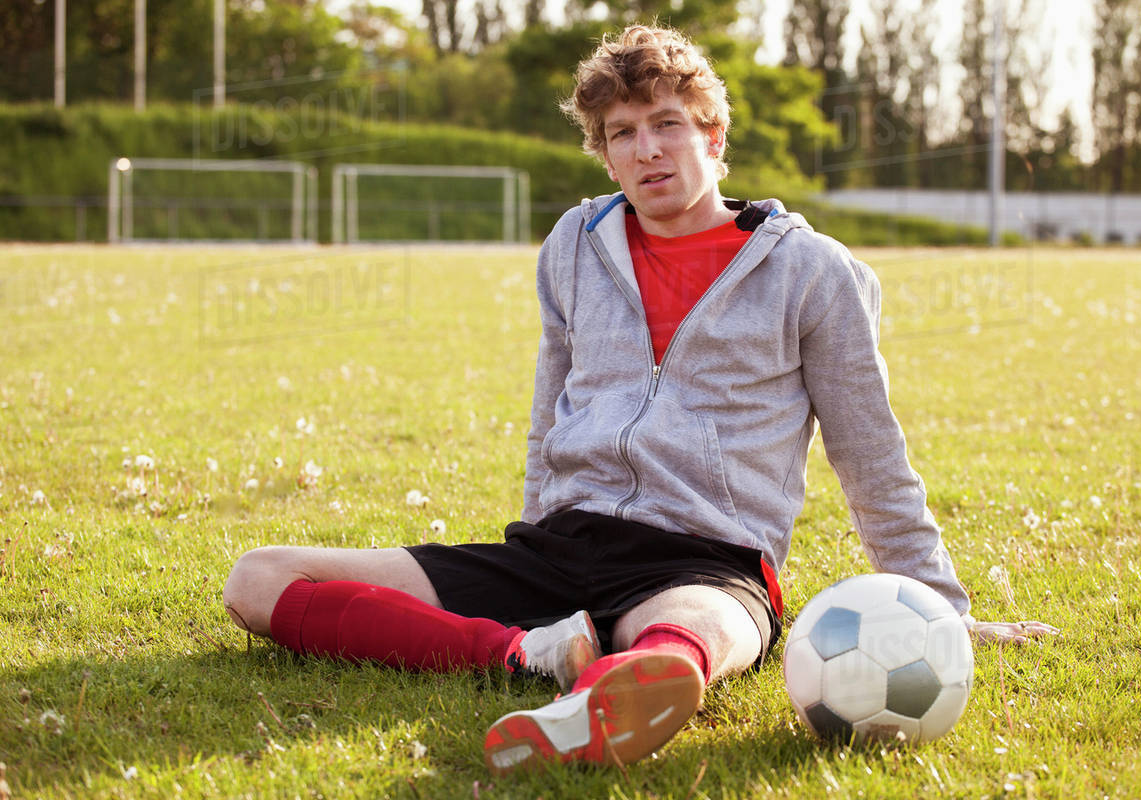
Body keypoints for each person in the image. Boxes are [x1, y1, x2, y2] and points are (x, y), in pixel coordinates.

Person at [221, 24, 1058, 776]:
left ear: (713, 137)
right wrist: (537, 555)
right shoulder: (574, 245)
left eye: (666, 124)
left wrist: (940, 610)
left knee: (685, 642)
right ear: (605, 153)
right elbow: (551, 411)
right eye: (623, 134)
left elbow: (870, 450)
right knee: (258, 581)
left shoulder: (812, 272)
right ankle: (526, 656)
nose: (648, 150)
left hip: (706, 560)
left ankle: (627, 678)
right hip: (559, 552)